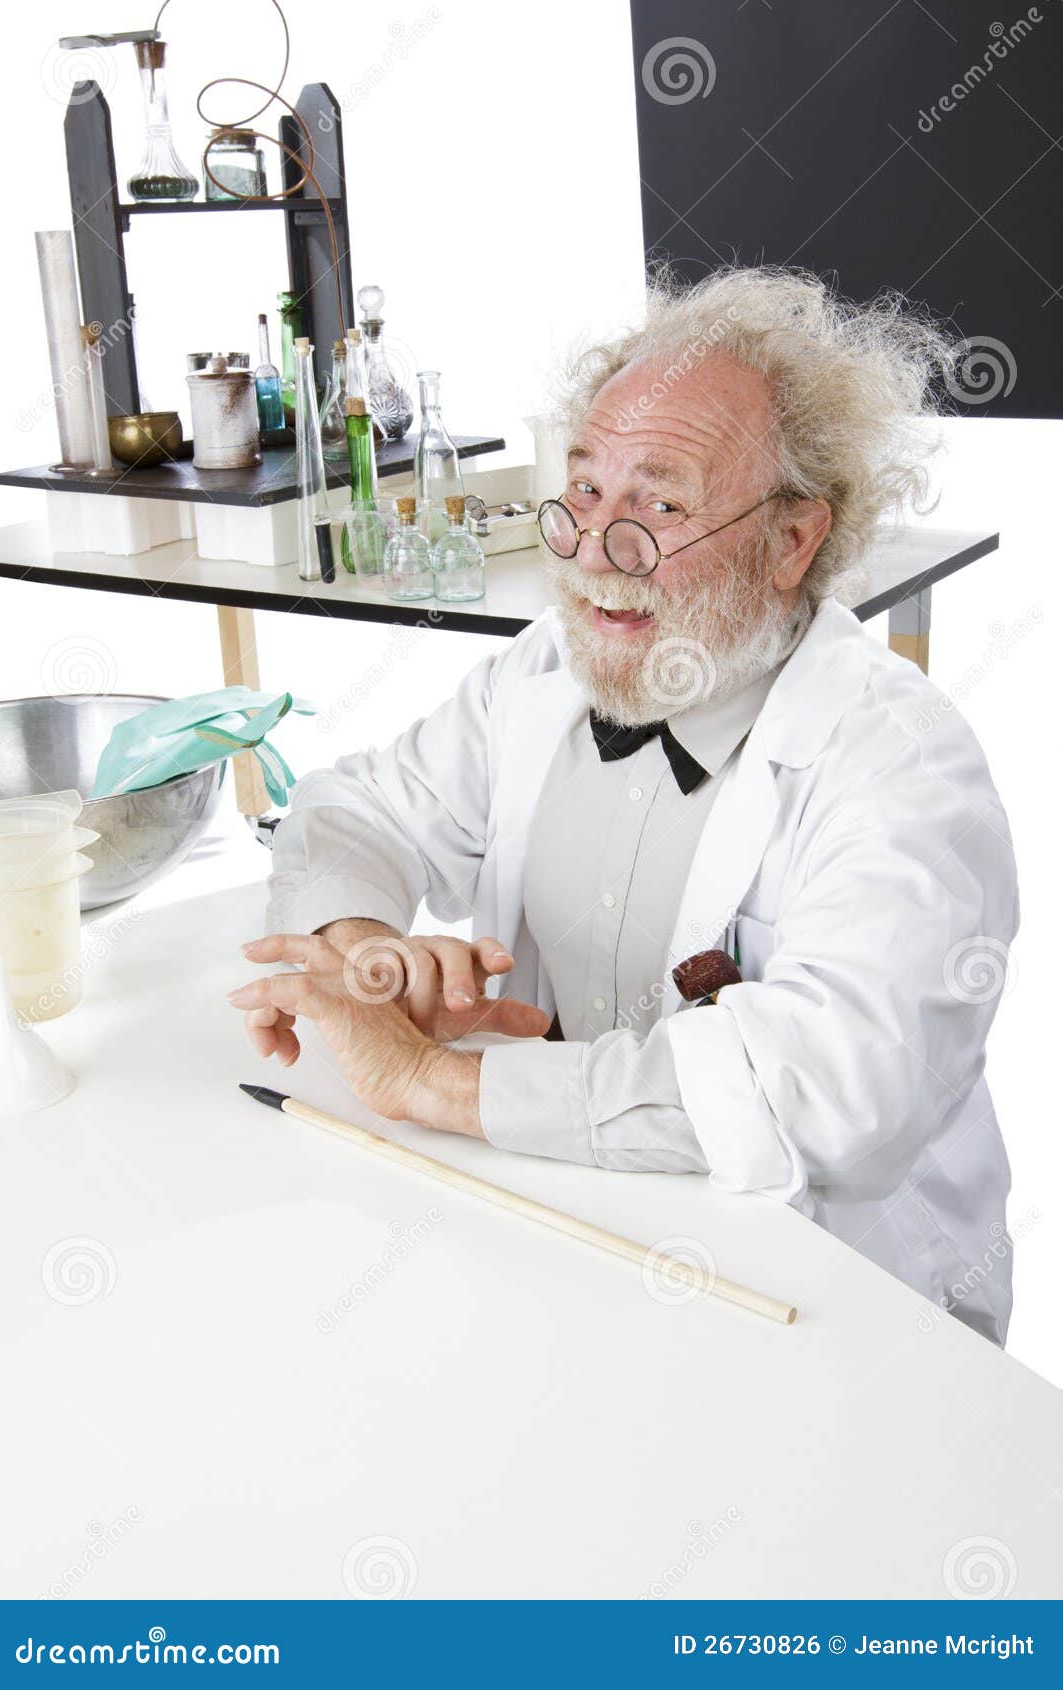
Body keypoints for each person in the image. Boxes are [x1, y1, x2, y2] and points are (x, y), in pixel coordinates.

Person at [229, 266, 1017, 1344]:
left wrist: (433, 1084)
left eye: (660, 503)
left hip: (833, 1300)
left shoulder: (901, 763)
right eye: (586, 492)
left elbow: (834, 1086)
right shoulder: (539, 676)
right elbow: (358, 808)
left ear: (791, 540)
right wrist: (367, 950)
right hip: (568, 1238)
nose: (596, 551)